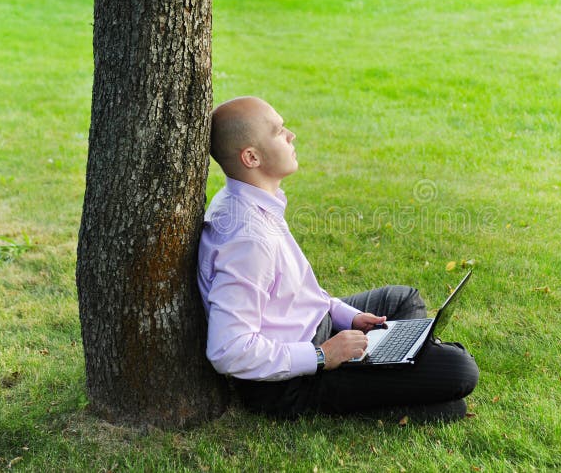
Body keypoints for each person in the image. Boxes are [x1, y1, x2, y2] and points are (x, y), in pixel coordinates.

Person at [197, 96, 478, 421]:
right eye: (278, 131)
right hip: (292, 381)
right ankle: (400, 383)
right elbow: (228, 350)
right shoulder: (246, 238)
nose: (291, 136)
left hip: (316, 329)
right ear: (251, 157)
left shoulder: (254, 200)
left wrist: (348, 316)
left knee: (403, 299)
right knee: (460, 369)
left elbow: (293, 295)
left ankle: (405, 367)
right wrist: (322, 355)